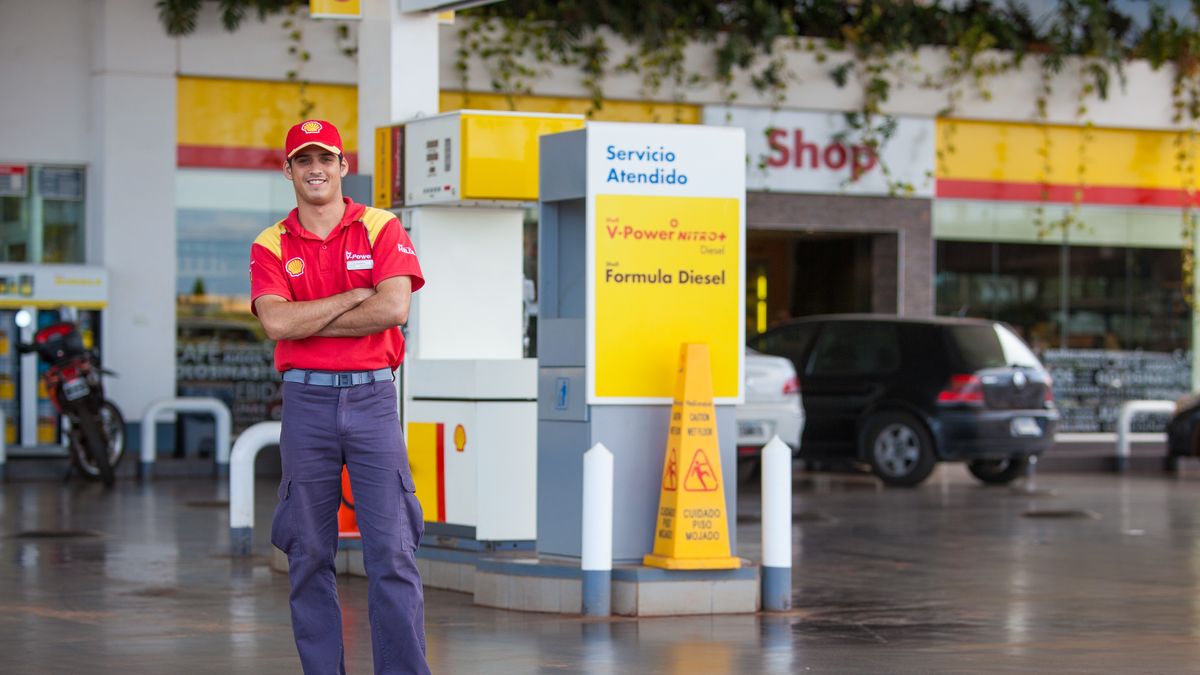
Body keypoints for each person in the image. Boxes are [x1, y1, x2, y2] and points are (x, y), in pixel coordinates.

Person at [249, 119, 429, 675]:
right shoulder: (271, 243)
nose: (315, 169)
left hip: (373, 400)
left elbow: (395, 309)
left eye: (325, 158)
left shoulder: (381, 226)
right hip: (306, 405)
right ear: (289, 170)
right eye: (303, 160)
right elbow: (276, 323)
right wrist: (354, 295)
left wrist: (309, 318)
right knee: (308, 555)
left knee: (393, 554)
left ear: (343, 165)